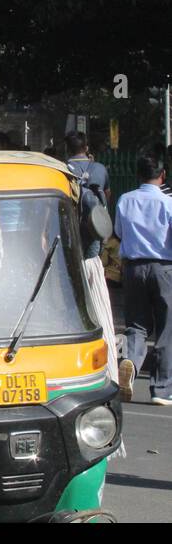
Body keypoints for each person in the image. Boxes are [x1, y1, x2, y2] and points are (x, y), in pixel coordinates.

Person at [112, 150, 172, 405]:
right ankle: (162, 388)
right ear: (162, 175)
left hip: (133, 268)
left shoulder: (125, 200)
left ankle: (132, 364)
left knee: (136, 325)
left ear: (138, 175)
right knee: (166, 327)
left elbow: (117, 232)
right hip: (164, 267)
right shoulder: (168, 203)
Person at [63, 131, 110, 260]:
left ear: (67, 149)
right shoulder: (100, 168)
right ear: (86, 148)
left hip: (71, 227)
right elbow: (107, 195)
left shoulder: (63, 169)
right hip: (95, 225)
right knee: (92, 263)